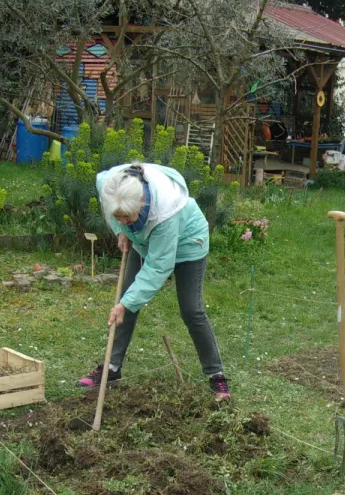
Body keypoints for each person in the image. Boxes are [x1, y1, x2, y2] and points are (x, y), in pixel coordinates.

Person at [77, 162, 230, 402]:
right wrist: (121, 229)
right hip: (145, 238)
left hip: (188, 242)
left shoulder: (165, 211)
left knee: (192, 310)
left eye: (127, 217)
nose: (123, 220)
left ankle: (216, 375)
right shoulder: (111, 185)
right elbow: (108, 196)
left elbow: (159, 266)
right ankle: (112, 369)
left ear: (142, 204)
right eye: (119, 216)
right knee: (125, 301)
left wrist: (127, 303)